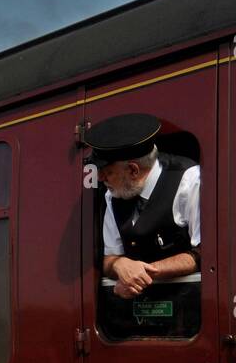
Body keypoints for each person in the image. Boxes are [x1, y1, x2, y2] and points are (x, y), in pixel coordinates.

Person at [86, 113, 201, 299]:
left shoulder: (189, 181)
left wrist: (142, 273)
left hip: (187, 307)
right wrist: (118, 265)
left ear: (133, 170)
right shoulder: (113, 194)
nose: (100, 178)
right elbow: (109, 257)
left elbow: (202, 254)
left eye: (107, 172)